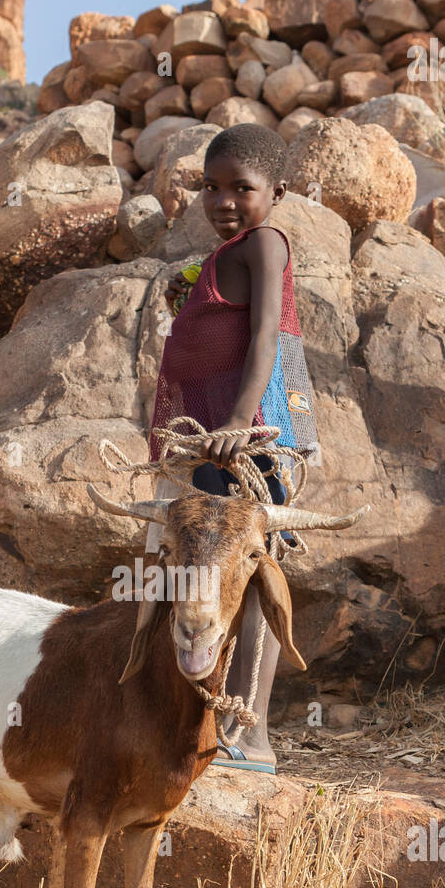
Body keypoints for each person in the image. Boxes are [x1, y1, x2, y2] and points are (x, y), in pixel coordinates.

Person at [146, 123, 318, 773]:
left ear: (276, 190)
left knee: (251, 581)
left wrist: (242, 420)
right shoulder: (233, 251)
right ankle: (220, 726)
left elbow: (266, 336)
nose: (222, 200)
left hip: (251, 442)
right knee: (221, 581)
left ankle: (254, 735)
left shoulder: (266, 242)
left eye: (240, 188)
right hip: (222, 442)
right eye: (209, 187)